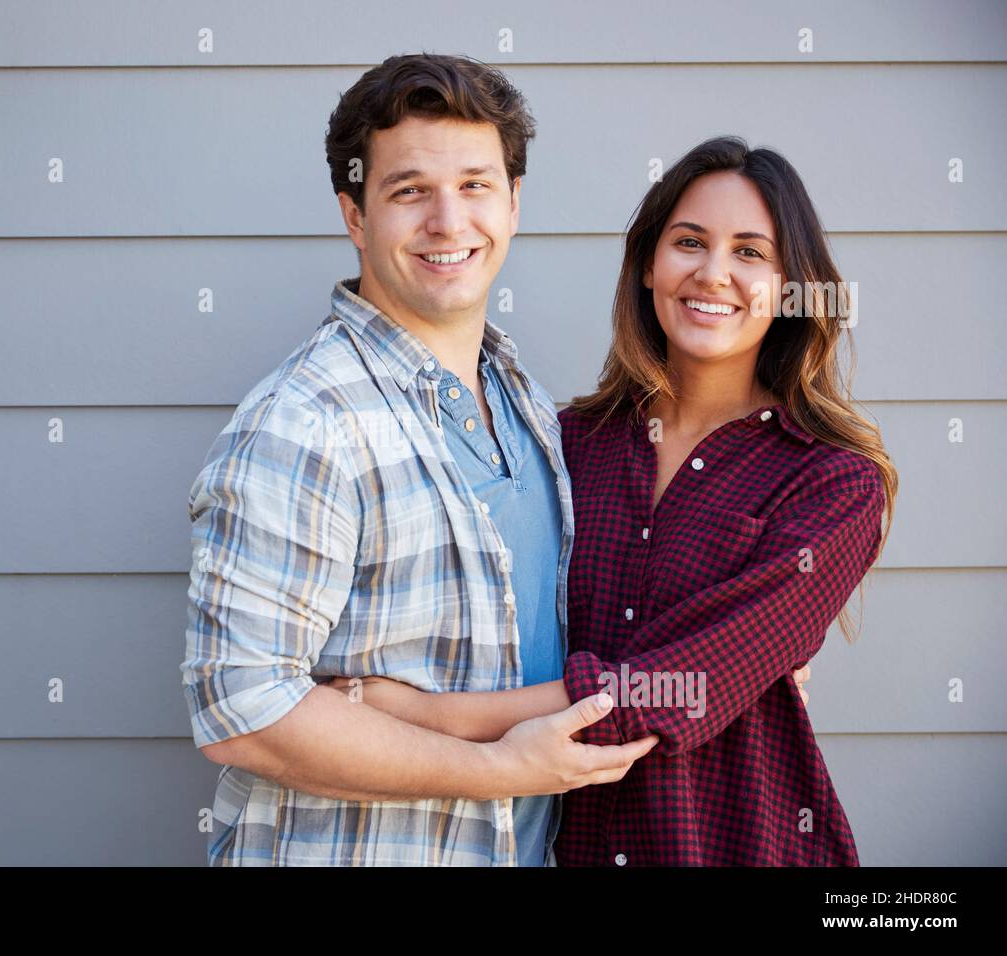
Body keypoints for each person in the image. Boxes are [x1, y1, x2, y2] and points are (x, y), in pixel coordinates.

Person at [342, 136, 898, 866]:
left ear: (790, 288)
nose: (713, 272)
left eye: (750, 253)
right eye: (689, 242)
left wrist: (428, 717)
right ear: (647, 264)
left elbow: (685, 686)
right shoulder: (561, 442)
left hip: (728, 844)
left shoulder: (831, 483)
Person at [179, 52, 659, 866]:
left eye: (475, 185)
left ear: (514, 203)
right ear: (355, 215)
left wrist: (752, 659)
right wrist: (491, 769)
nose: (448, 221)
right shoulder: (306, 420)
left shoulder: (529, 407)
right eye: (409, 191)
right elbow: (243, 708)